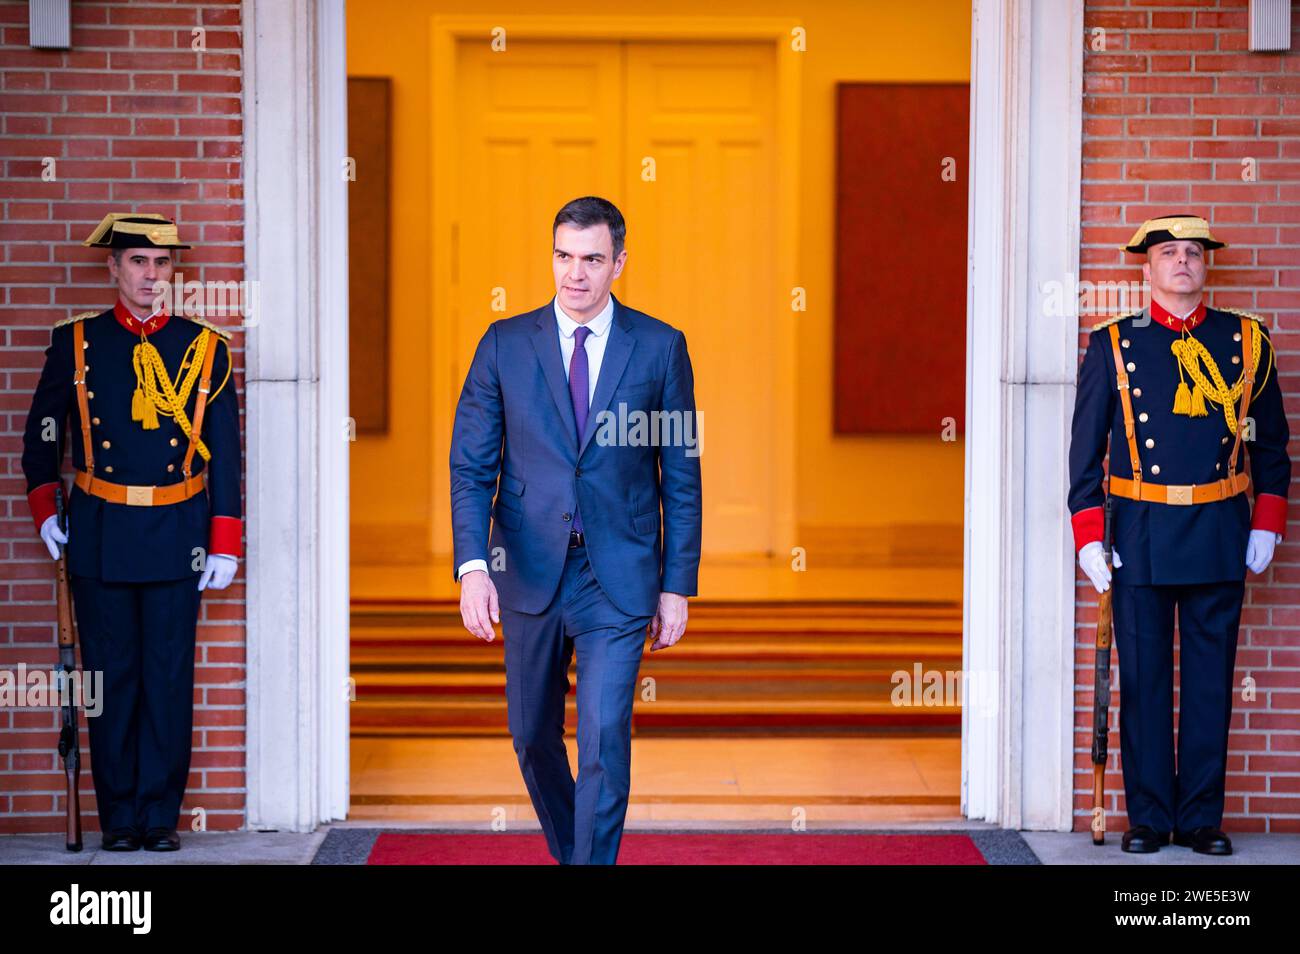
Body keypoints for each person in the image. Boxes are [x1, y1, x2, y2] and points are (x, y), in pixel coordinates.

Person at [450, 196, 703, 864]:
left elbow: (680, 474)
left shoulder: (660, 347)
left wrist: (677, 584)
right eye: (564, 256)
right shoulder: (504, 345)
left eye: (592, 259)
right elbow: (471, 467)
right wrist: (473, 567)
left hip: (616, 577)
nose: (576, 273)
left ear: (619, 262)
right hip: (527, 572)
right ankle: (576, 854)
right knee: (532, 735)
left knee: (602, 737)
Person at [1068, 213, 1291, 856]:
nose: (1182, 262)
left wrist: (1266, 522)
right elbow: (1086, 455)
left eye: (1193, 252)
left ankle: (1199, 820)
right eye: (1168, 253)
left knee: (1208, 681)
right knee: (1141, 681)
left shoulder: (1246, 342)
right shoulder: (1112, 344)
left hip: (1220, 528)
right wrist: (1088, 537)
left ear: (1206, 266)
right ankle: (1148, 818)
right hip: (1137, 533)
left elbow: (1272, 445)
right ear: (1147, 268)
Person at [21, 213, 243, 852]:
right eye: (139, 262)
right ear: (114, 268)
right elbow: (42, 436)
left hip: (179, 531)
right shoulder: (77, 343)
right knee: (111, 680)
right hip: (101, 529)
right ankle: (118, 817)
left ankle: (159, 816)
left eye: (162, 263)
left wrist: (224, 537)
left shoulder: (205, 347)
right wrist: (45, 510)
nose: (151, 275)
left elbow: (223, 452)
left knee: (168, 680)